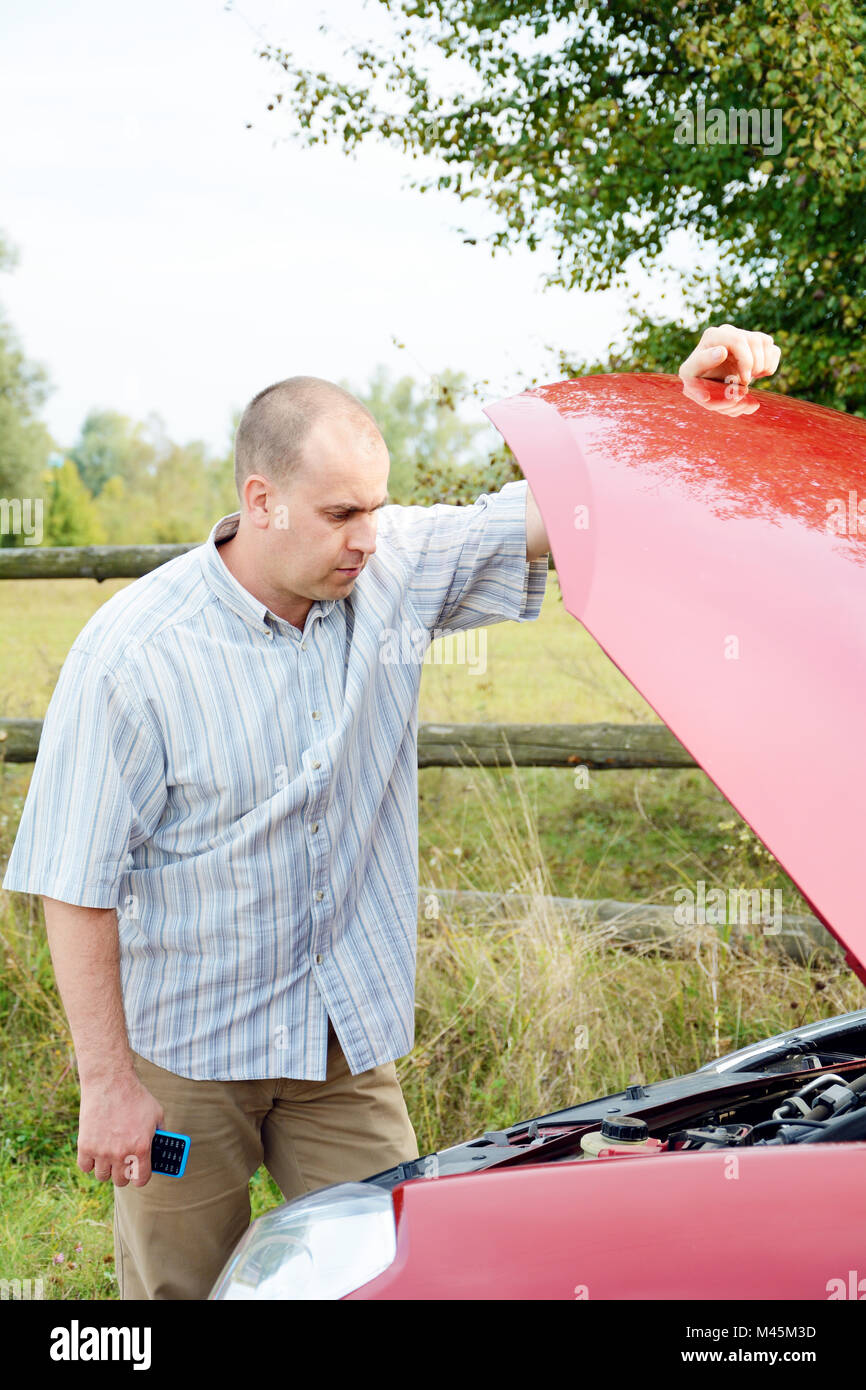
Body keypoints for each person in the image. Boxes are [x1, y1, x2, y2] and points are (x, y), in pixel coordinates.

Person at [2, 324, 779, 1300]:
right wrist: (109, 1083)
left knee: (402, 1276)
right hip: (185, 1057)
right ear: (260, 500)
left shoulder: (389, 566)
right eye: (339, 512)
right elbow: (75, 884)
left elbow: (551, 513)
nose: (365, 535)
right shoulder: (133, 653)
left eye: (375, 505)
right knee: (181, 1295)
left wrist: (681, 410)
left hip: (341, 1045)